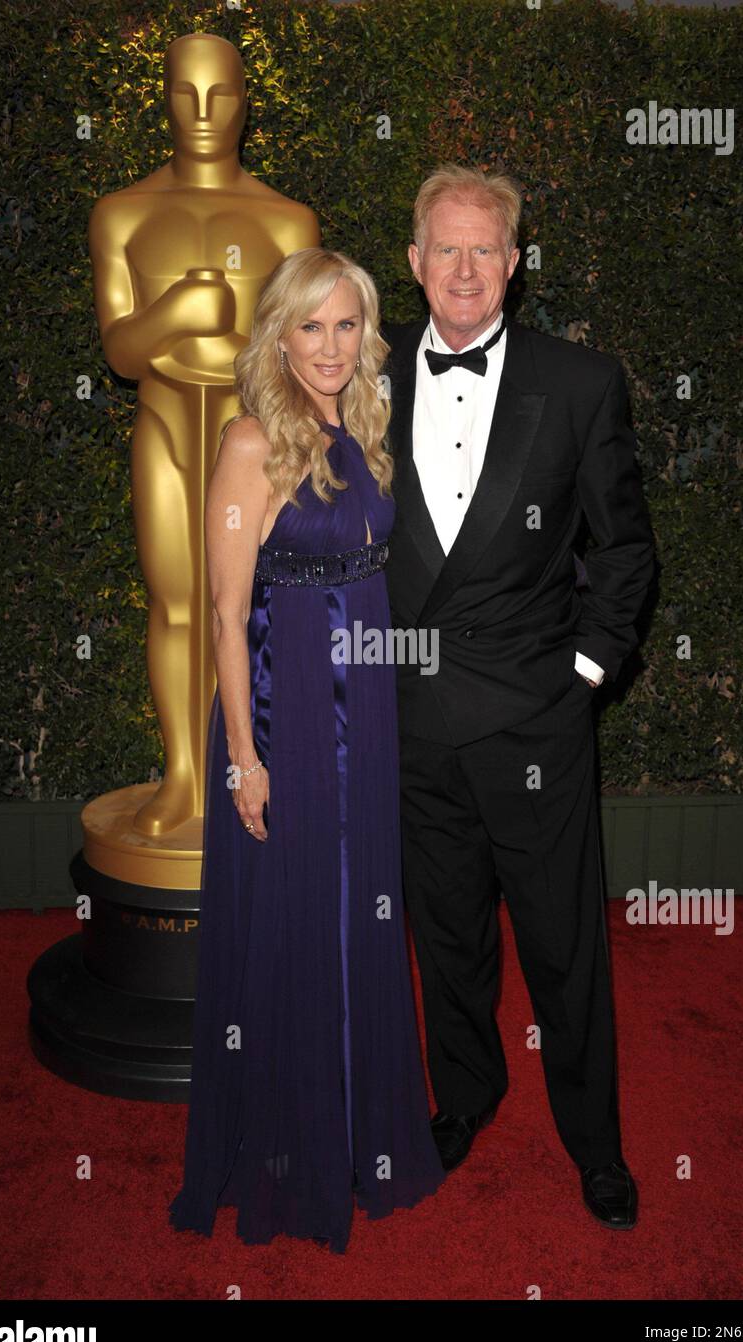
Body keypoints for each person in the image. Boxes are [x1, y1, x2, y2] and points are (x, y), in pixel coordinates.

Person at [382, 164, 656, 1229]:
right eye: (442, 248)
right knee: (446, 931)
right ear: (413, 263)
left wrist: (584, 675)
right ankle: (465, 1097)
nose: (462, 268)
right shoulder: (359, 370)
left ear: (514, 262)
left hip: (534, 718)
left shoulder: (580, 381)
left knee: (564, 944)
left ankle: (596, 1145)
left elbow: (625, 551)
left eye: (482, 248)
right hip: (413, 715)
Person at [168, 247, 445, 1254]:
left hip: (362, 705)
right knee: (294, 923)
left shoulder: (364, 427)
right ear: (278, 336)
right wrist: (243, 754)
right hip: (287, 706)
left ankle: (361, 1135)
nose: (329, 346)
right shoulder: (252, 442)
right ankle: (288, 1152)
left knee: (361, 916)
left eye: (346, 326)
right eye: (311, 326)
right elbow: (224, 606)